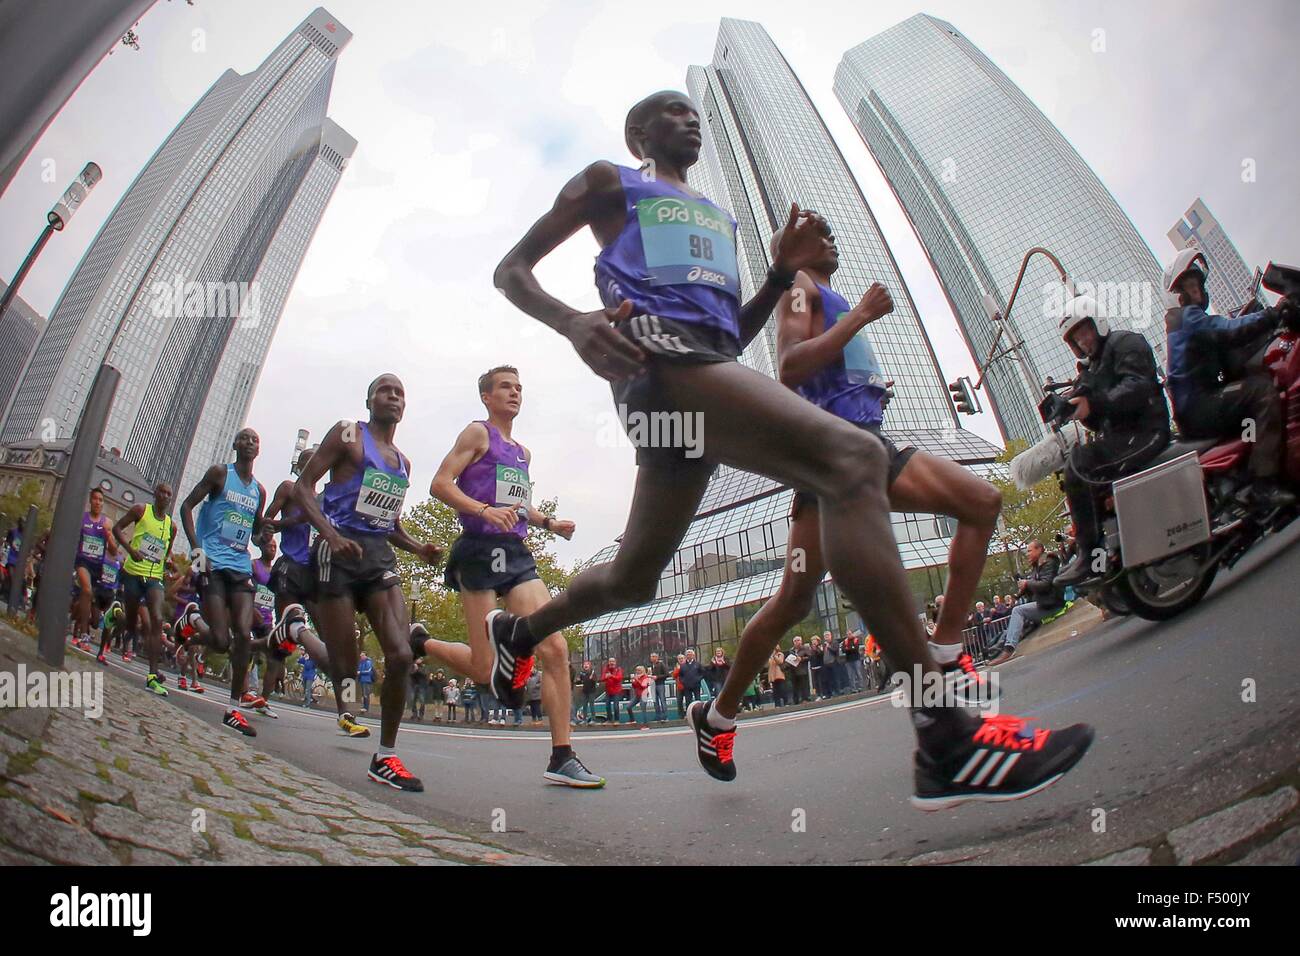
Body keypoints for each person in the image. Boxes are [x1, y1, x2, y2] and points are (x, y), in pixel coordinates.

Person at [411, 365, 601, 786]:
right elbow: (440, 484)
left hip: (515, 553)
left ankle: (562, 756)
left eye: (519, 387)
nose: (514, 393)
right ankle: (422, 641)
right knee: (482, 671)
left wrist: (549, 523)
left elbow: (518, 506)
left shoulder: (523, 453)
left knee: (554, 646)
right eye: (505, 387)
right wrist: (481, 510)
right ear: (486, 396)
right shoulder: (478, 434)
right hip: (478, 551)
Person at [292, 374, 442, 790]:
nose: (393, 397)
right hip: (337, 554)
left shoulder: (402, 462)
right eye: (385, 390)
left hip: (377, 559)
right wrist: (331, 535)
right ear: (369, 399)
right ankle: (300, 633)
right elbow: (304, 488)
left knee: (399, 656)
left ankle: (386, 756)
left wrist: (418, 548)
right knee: (346, 663)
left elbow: (389, 523)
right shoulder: (347, 434)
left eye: (400, 393)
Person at [1163, 249, 1295, 513]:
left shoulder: (1188, 321)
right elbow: (1226, 330)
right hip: (1199, 405)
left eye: (1197, 284)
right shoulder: (1186, 318)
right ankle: (1263, 487)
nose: (1197, 290)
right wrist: (1272, 314)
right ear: (1178, 295)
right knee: (1261, 392)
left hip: (1198, 403)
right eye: (1189, 286)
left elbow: (1226, 332)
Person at [1053, 295, 1172, 589]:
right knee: (1082, 471)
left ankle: (1088, 556)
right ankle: (1111, 556)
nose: (1082, 341)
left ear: (1098, 323)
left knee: (1078, 467)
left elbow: (1137, 387)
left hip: (1147, 431)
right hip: (1123, 437)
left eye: (1084, 332)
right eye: (1075, 339)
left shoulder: (1126, 343)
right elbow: (1097, 415)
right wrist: (1073, 408)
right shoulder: (1091, 369)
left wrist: (1095, 404)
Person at [178, 428, 269, 735]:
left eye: (255, 440)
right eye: (244, 438)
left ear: (258, 450)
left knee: (243, 634)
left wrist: (265, 533)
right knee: (220, 640)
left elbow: (255, 534)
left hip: (240, 566)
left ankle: (233, 708)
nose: (249, 443)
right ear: (235, 445)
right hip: (213, 563)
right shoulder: (219, 474)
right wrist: (196, 548)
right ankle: (190, 629)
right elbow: (186, 506)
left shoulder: (259, 490)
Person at [113, 482, 177, 695]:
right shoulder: (141, 510)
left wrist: (168, 561)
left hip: (154, 578)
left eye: (169, 494)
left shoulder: (171, 526)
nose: (165, 496)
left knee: (157, 620)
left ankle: (152, 675)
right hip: (132, 572)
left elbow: (166, 552)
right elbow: (117, 529)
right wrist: (130, 549)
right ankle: (114, 618)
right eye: (162, 492)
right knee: (132, 624)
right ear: (155, 494)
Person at [988, 540, 1063, 666]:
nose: (1027, 554)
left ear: (1039, 550)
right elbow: (1035, 587)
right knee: (1018, 610)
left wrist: (1027, 583)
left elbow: (1046, 584)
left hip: (1051, 604)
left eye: (1029, 550)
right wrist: (1020, 592)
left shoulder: (1049, 562)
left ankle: (1008, 650)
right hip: (1043, 603)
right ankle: (1002, 648)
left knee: (1018, 611)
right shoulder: (1036, 566)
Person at [72, 489, 118, 648]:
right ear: (90, 501)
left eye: (101, 500)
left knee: (93, 616)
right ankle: (84, 634)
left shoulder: (107, 522)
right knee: (86, 591)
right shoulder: (82, 518)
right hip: (82, 561)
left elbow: (113, 551)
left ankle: (73, 618)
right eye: (95, 499)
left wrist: (108, 535)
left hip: (97, 566)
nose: (98, 502)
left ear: (103, 503)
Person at [601, 658, 624, 724]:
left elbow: (619, 678)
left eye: (613, 661)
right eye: (610, 661)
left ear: (615, 662)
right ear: (608, 662)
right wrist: (606, 677)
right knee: (607, 706)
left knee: (615, 706)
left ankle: (617, 720)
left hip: (616, 691)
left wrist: (611, 676)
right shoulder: (606, 669)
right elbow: (602, 678)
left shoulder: (618, 669)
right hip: (608, 690)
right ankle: (609, 719)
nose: (612, 663)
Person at [649, 652, 670, 723]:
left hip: (660, 684)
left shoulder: (661, 664)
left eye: (654, 656)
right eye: (652, 657)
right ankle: (658, 716)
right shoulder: (650, 665)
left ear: (657, 657)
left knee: (662, 700)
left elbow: (667, 674)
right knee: (655, 701)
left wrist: (657, 677)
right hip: (652, 685)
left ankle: (665, 716)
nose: (653, 658)